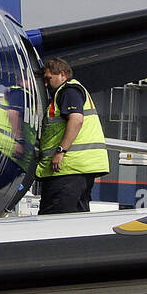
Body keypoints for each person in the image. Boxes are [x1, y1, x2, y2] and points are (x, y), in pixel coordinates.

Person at [35, 58, 109, 213]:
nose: (46, 85)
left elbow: (76, 120)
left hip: (67, 169)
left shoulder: (68, 91)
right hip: (79, 170)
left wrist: (61, 151)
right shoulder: (73, 91)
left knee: (53, 219)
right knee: (74, 220)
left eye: (49, 79)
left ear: (62, 75)